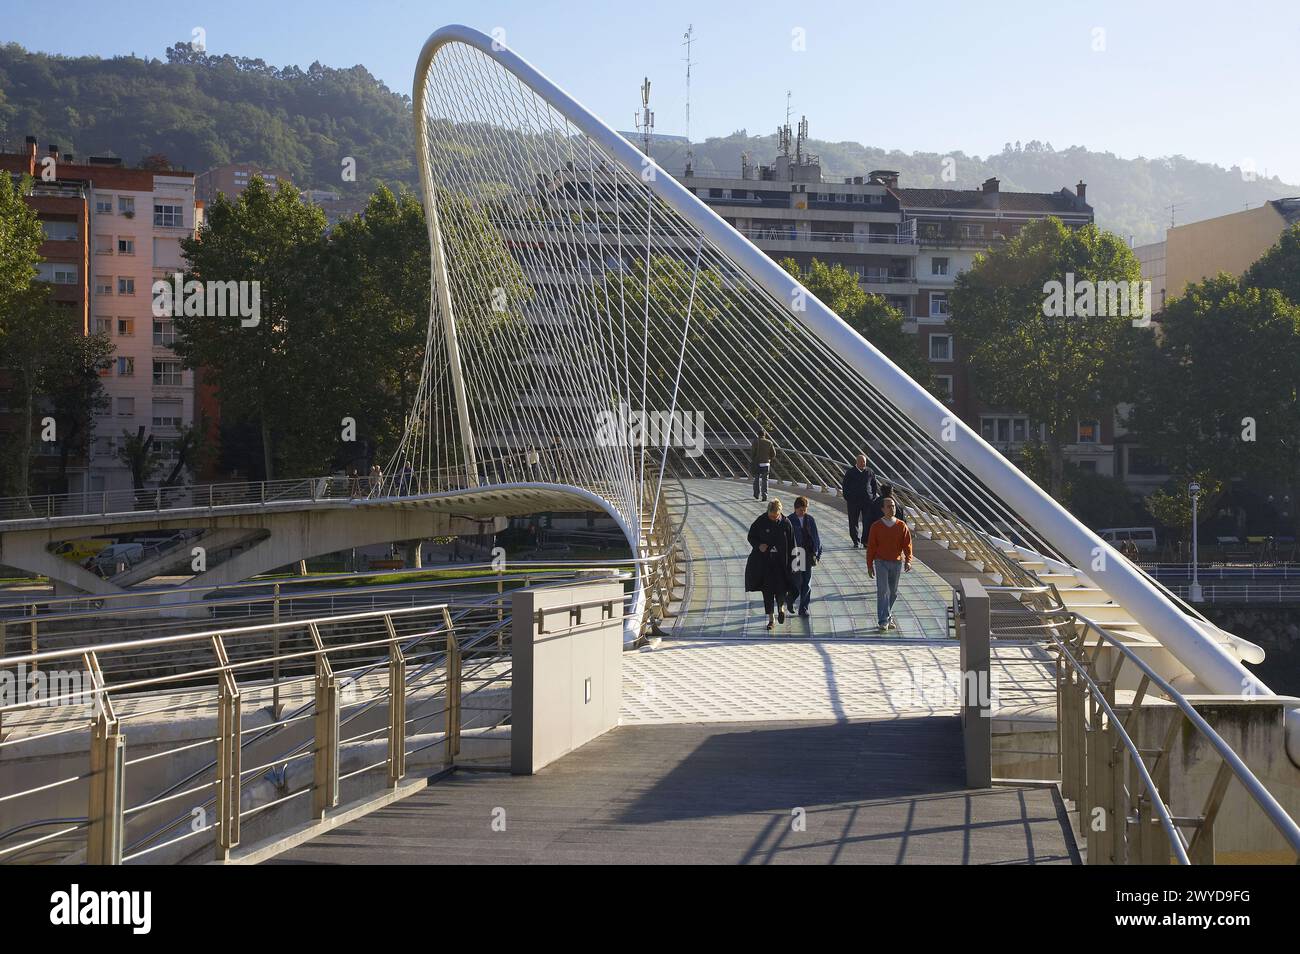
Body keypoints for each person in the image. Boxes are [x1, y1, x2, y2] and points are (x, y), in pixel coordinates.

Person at [745, 498, 796, 631]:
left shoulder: (786, 523)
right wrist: (758, 545)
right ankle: (771, 620)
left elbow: (793, 545)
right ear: (768, 512)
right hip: (765, 563)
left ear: (780, 513)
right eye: (771, 516)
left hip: (781, 563)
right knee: (767, 591)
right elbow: (751, 536)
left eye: (775, 516)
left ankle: (781, 608)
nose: (773, 518)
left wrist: (795, 565)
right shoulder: (761, 521)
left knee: (781, 589)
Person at [866, 496, 913, 633]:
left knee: (893, 592)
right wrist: (869, 565)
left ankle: (887, 615)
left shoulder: (901, 525)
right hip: (881, 562)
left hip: (896, 562)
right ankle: (883, 621)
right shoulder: (876, 526)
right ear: (882, 509)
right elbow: (872, 547)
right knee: (883, 591)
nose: (892, 508)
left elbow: (907, 545)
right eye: (888, 506)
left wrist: (908, 560)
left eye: (893, 506)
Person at [786, 496, 823, 617]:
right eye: (801, 509)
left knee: (806, 582)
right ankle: (790, 600)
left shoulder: (810, 520)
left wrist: (817, 554)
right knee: (796, 581)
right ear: (795, 508)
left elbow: (816, 538)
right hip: (796, 553)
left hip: (808, 554)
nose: (803, 512)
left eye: (805, 509)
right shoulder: (789, 520)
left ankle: (803, 608)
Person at [841, 453, 879, 548]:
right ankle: (855, 541)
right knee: (853, 521)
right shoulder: (850, 472)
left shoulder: (870, 471)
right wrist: (848, 498)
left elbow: (874, 485)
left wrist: (873, 497)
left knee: (867, 521)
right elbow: (845, 487)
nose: (863, 464)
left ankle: (865, 541)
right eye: (861, 462)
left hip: (867, 501)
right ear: (856, 462)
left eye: (864, 462)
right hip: (853, 502)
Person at [750, 429, 775, 501]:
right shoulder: (769, 442)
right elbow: (773, 454)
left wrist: (753, 459)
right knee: (765, 480)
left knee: (756, 479)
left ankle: (756, 494)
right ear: (765, 435)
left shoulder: (755, 442)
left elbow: (752, 453)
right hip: (766, 463)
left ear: (758, 434)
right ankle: (764, 495)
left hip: (757, 463)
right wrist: (769, 458)